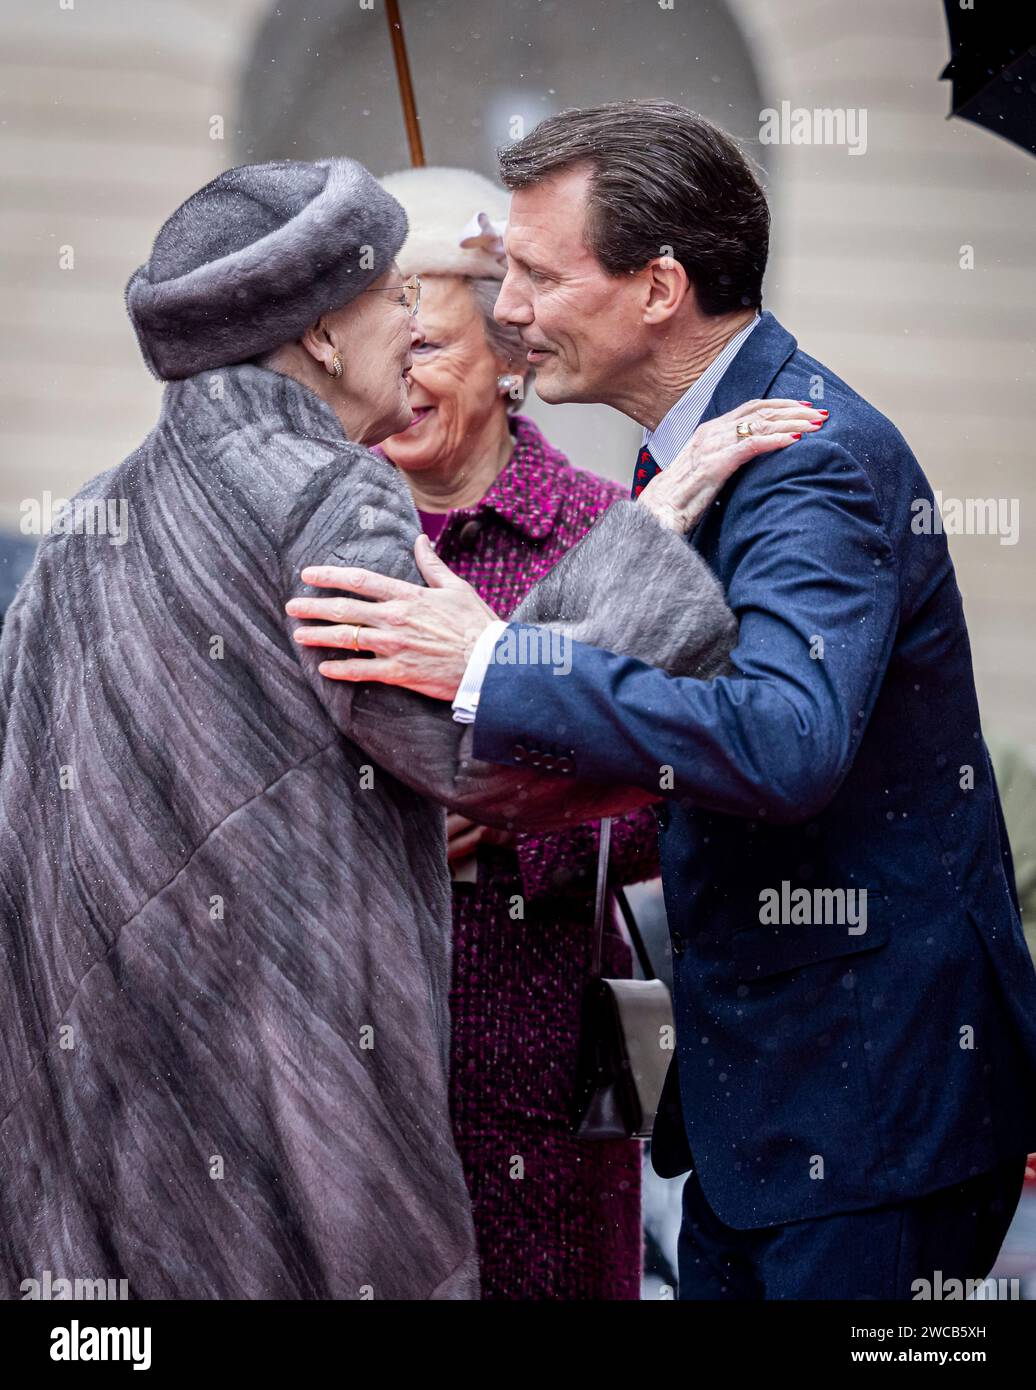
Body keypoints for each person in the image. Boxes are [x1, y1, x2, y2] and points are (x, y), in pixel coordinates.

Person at [287, 102, 1036, 1300]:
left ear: (659, 288)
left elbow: (786, 743)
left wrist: (489, 666)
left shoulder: (806, 456)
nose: (511, 307)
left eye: (534, 275)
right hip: (778, 1113)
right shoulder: (691, 451)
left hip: (867, 1111)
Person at [0, 156, 755, 1300]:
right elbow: (476, 744)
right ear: (314, 334)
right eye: (388, 297)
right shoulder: (329, 494)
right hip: (293, 1136)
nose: (412, 324)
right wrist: (650, 536)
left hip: (106, 1131)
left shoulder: (86, 529)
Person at [374, 164, 657, 1298]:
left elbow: (688, 776)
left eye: (429, 351)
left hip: (538, 1047)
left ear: (510, 359)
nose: (399, 384)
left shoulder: (602, 536)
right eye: (376, 352)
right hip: (350, 1050)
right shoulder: (317, 523)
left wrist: (512, 822)